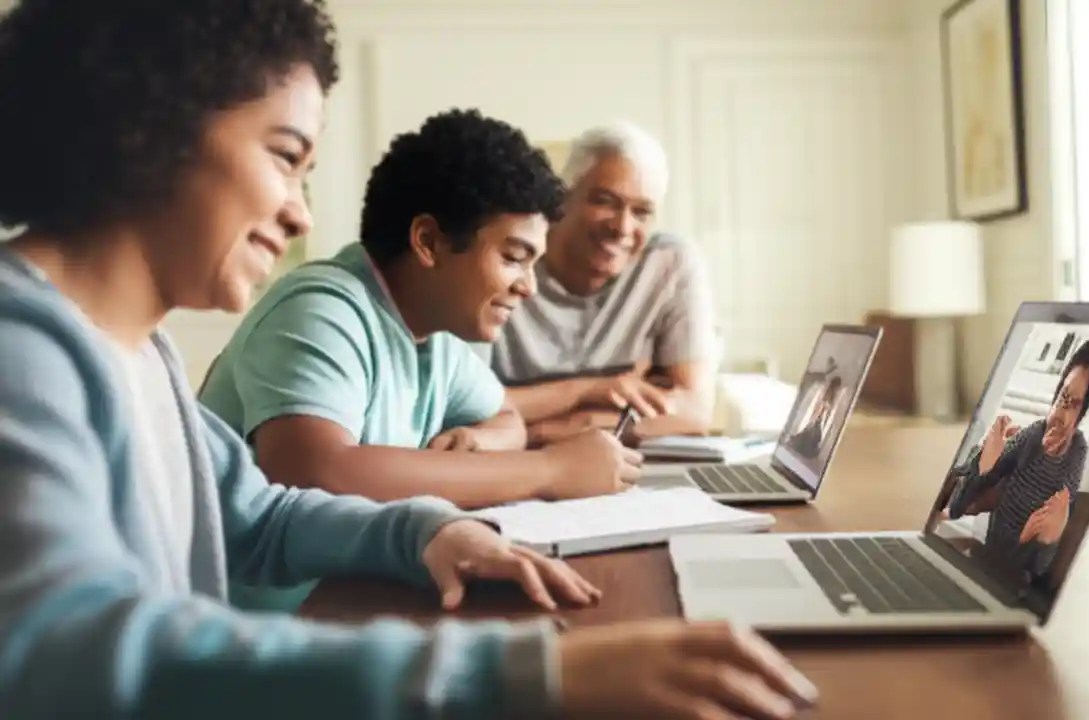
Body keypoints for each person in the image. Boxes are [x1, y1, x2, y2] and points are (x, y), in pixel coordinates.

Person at [0, 2, 817, 718]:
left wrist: (427, 534)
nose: (296, 214)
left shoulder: (143, 358)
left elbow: (259, 516)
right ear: (150, 125)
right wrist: (532, 672)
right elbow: (80, 653)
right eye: (286, 158)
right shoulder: (20, 354)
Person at [200, 109, 640, 511]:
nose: (528, 287)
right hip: (272, 599)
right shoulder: (320, 311)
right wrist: (551, 470)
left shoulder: (436, 337)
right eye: (513, 257)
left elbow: (507, 418)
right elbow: (316, 471)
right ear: (428, 242)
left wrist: (480, 442)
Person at [489, 122, 719, 444]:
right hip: (512, 465)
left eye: (642, 212)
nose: (623, 227)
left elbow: (693, 409)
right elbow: (469, 407)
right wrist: (592, 390)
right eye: (605, 201)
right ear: (563, 198)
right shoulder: (509, 255)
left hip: (585, 457)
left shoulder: (669, 263)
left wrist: (567, 425)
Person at [945, 336, 1089, 581]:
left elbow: (1038, 568)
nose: (1060, 416)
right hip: (987, 563)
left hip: (1018, 583)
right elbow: (958, 507)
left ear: (1082, 414)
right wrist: (982, 462)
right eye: (1061, 399)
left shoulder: (1076, 454)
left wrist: (1046, 540)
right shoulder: (1032, 435)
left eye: (1074, 405)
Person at [784, 376, 845, 461]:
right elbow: (820, 407)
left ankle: (802, 447)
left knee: (812, 436)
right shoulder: (827, 393)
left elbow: (826, 409)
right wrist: (816, 416)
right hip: (818, 419)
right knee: (810, 435)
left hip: (819, 420)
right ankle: (801, 447)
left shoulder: (830, 395)